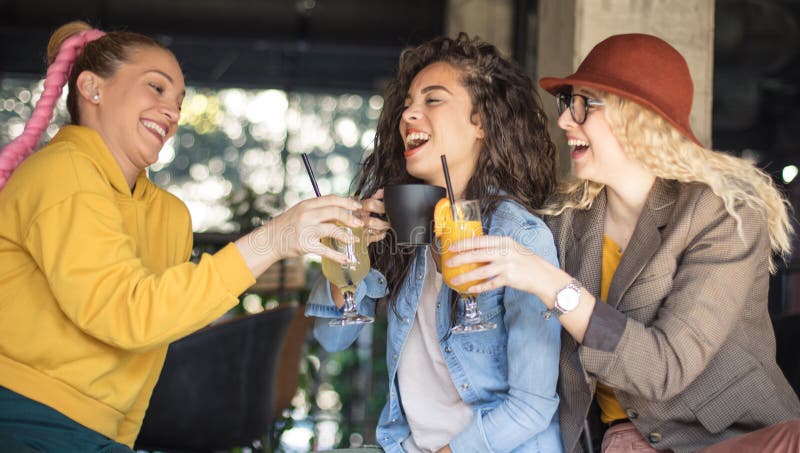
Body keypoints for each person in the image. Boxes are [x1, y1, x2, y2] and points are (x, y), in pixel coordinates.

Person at [0, 21, 363, 451]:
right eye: (156, 88)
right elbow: (128, 314)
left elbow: (161, 318)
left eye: (179, 100)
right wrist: (274, 239)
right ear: (92, 89)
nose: (172, 111)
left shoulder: (168, 214)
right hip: (25, 415)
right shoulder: (63, 172)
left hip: (108, 431)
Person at [446, 33, 800, 452]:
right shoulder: (566, 219)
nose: (564, 121)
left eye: (582, 105)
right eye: (567, 104)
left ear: (638, 117)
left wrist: (551, 284)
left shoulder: (722, 214)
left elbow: (664, 368)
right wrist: (394, 237)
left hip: (730, 438)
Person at [306, 33, 563, 453]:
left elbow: (532, 407)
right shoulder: (403, 225)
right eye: (407, 103)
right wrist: (352, 251)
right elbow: (332, 339)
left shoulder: (518, 236)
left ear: (480, 122)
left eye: (433, 100)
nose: (409, 114)